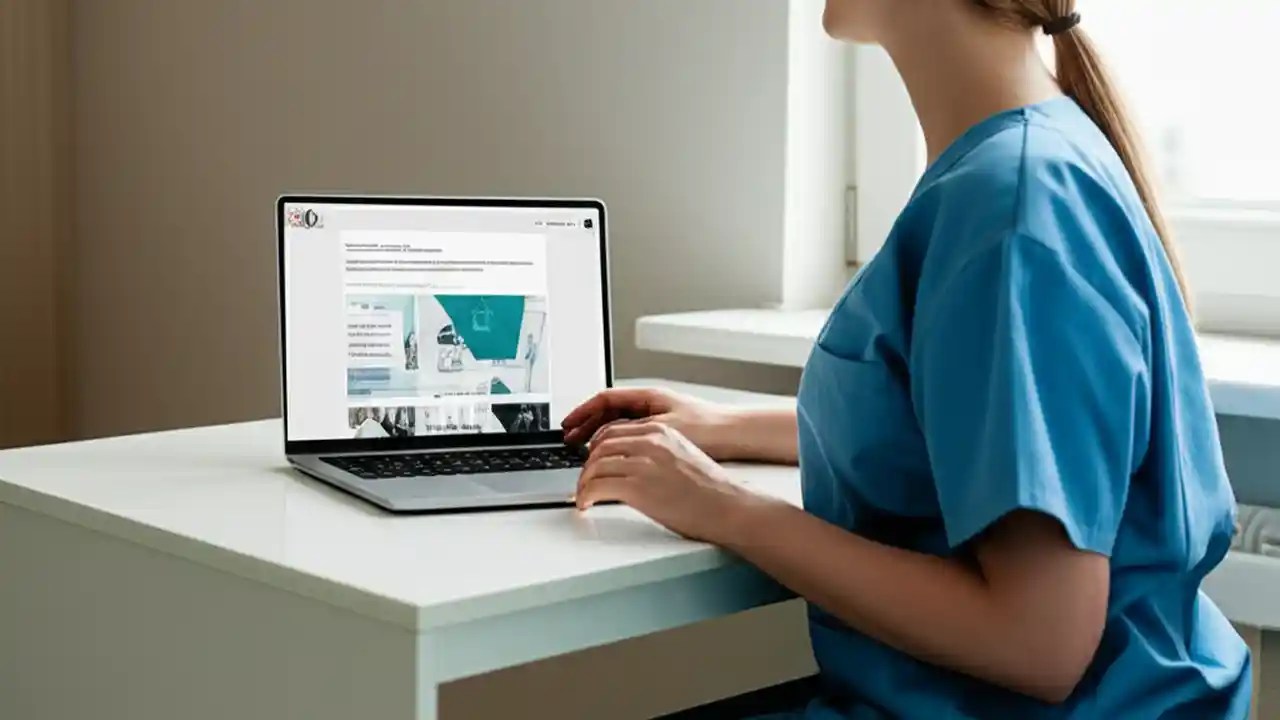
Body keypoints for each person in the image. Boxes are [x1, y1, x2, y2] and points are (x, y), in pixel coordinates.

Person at [562, 1, 1251, 718]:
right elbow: (948, 436)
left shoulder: (1014, 208)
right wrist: (723, 427)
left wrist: (724, 507)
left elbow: (1038, 643)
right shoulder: (1027, 156)